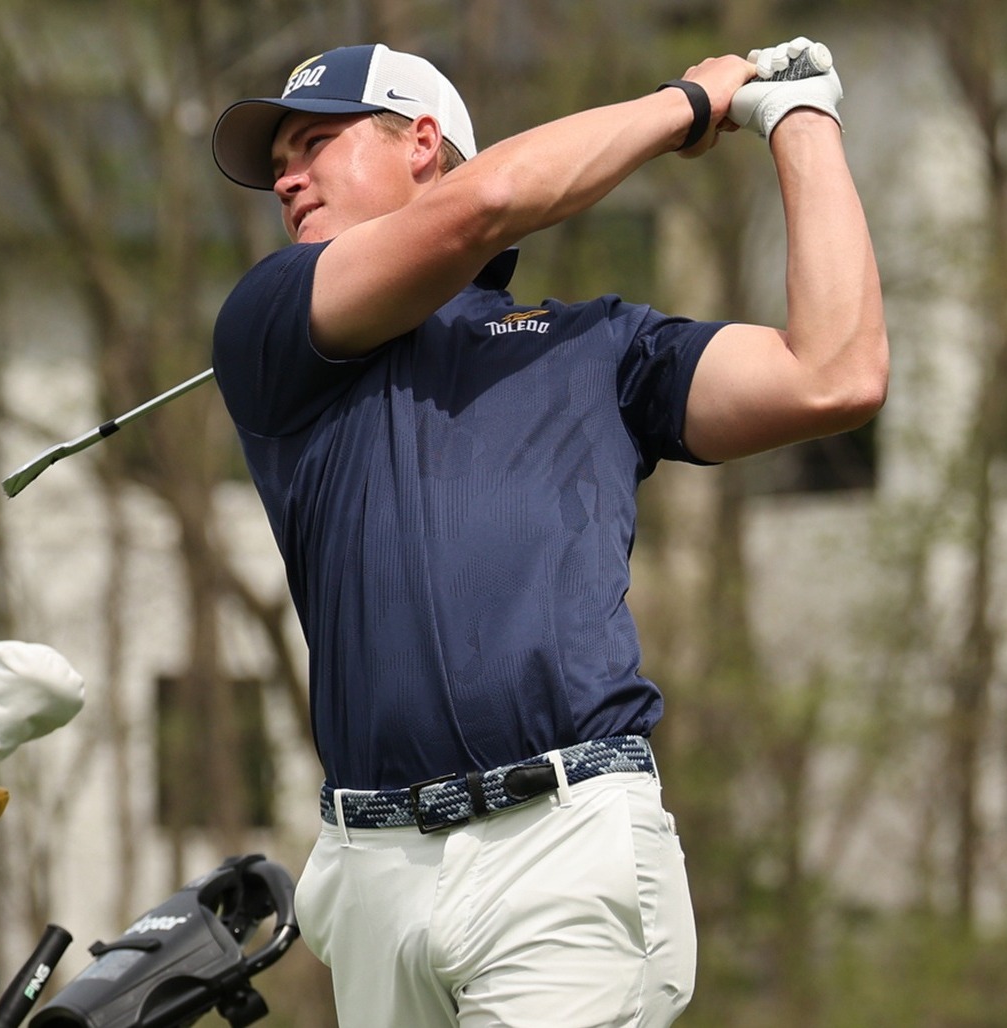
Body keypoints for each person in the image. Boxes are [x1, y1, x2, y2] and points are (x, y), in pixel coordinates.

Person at [209, 38, 886, 1027]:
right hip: (370, 870)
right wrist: (685, 106)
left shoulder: (598, 347)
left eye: (314, 140)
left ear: (424, 144)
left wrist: (797, 120)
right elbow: (478, 210)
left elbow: (833, 373)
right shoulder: (271, 322)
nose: (285, 175)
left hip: (559, 844)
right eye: (277, 161)